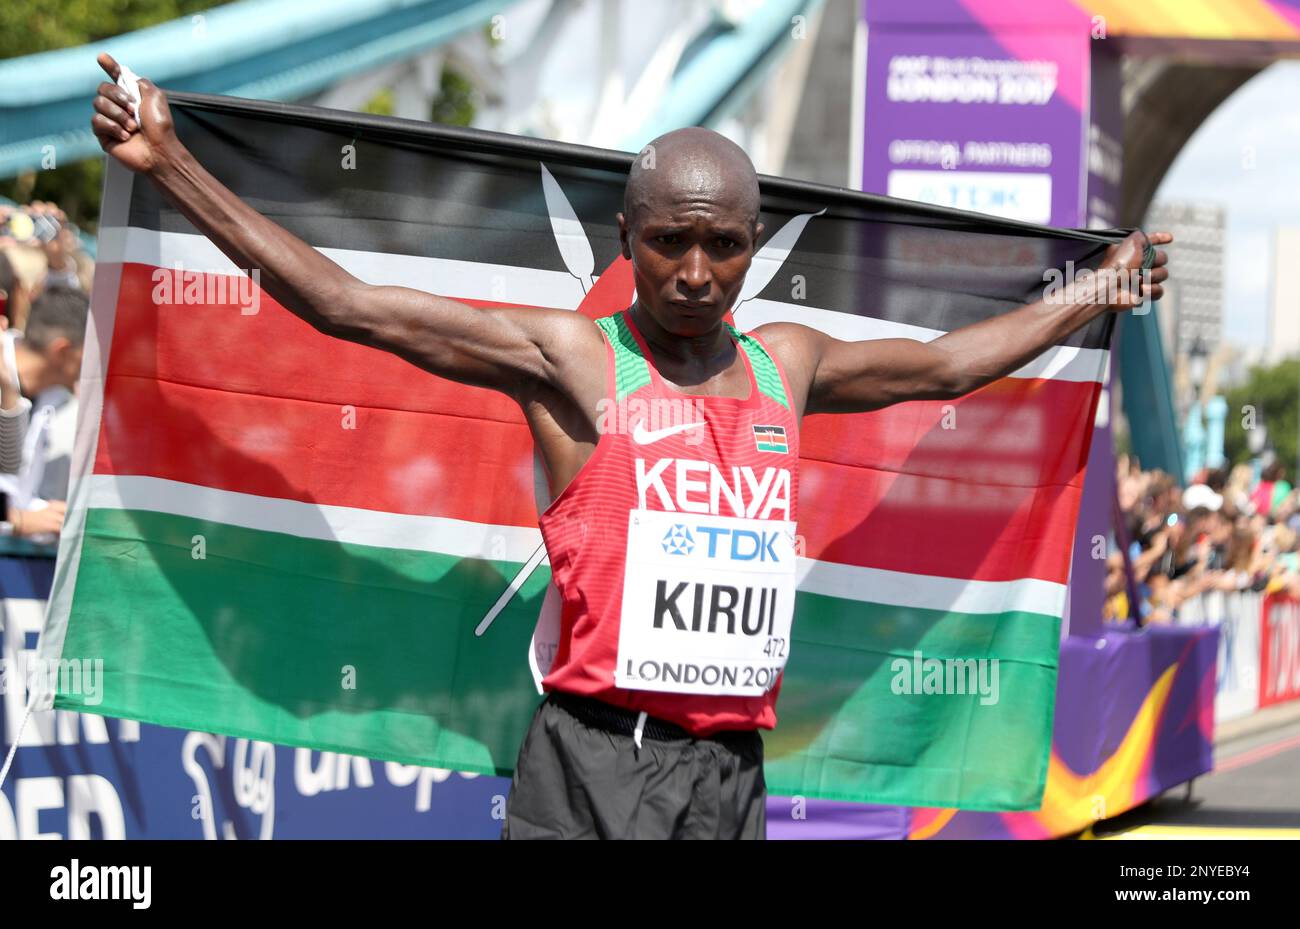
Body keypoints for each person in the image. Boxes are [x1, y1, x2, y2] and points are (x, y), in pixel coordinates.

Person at [89, 52, 1171, 839]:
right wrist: (172, 164)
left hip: (724, 774)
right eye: (670, 241)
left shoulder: (784, 365)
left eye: (724, 245)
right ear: (628, 239)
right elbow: (347, 304)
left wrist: (1096, 287)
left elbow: (945, 367)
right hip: (590, 762)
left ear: (753, 249)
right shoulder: (569, 357)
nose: (695, 271)